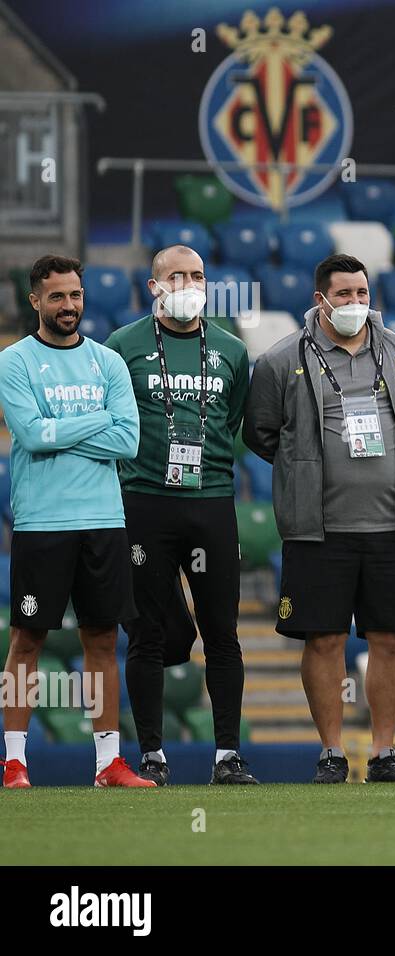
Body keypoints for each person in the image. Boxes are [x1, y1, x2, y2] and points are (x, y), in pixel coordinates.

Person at [244, 254, 395, 784]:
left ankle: (384, 753)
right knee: (322, 639)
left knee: (391, 639)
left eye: (362, 293)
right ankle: (330, 752)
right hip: (317, 527)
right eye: (344, 294)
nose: (355, 304)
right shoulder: (281, 360)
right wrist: (304, 469)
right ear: (320, 299)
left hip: (392, 525)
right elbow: (260, 433)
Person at [106, 244, 256, 786]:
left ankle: (228, 756)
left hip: (212, 500)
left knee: (223, 632)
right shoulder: (121, 347)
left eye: (197, 275)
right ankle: (151, 754)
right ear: (154, 286)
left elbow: (233, 418)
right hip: (144, 500)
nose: (189, 284)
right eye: (177, 276)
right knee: (147, 634)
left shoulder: (232, 351)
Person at [0, 255, 151, 788]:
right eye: (57, 297)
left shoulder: (107, 362)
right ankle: (14, 761)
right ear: (35, 300)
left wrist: (59, 426)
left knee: (103, 640)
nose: (69, 306)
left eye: (76, 296)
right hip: (42, 521)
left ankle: (108, 763)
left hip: (104, 519)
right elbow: (32, 433)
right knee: (27, 640)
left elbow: (128, 441)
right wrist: (96, 422)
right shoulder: (14, 362)